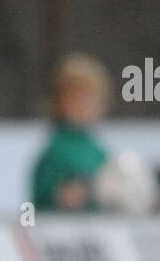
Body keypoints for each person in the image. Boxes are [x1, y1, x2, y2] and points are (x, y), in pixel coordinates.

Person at [30, 52, 112, 211]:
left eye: (90, 99)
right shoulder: (55, 152)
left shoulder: (97, 152)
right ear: (58, 102)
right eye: (76, 98)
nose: (83, 105)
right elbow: (42, 201)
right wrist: (60, 197)